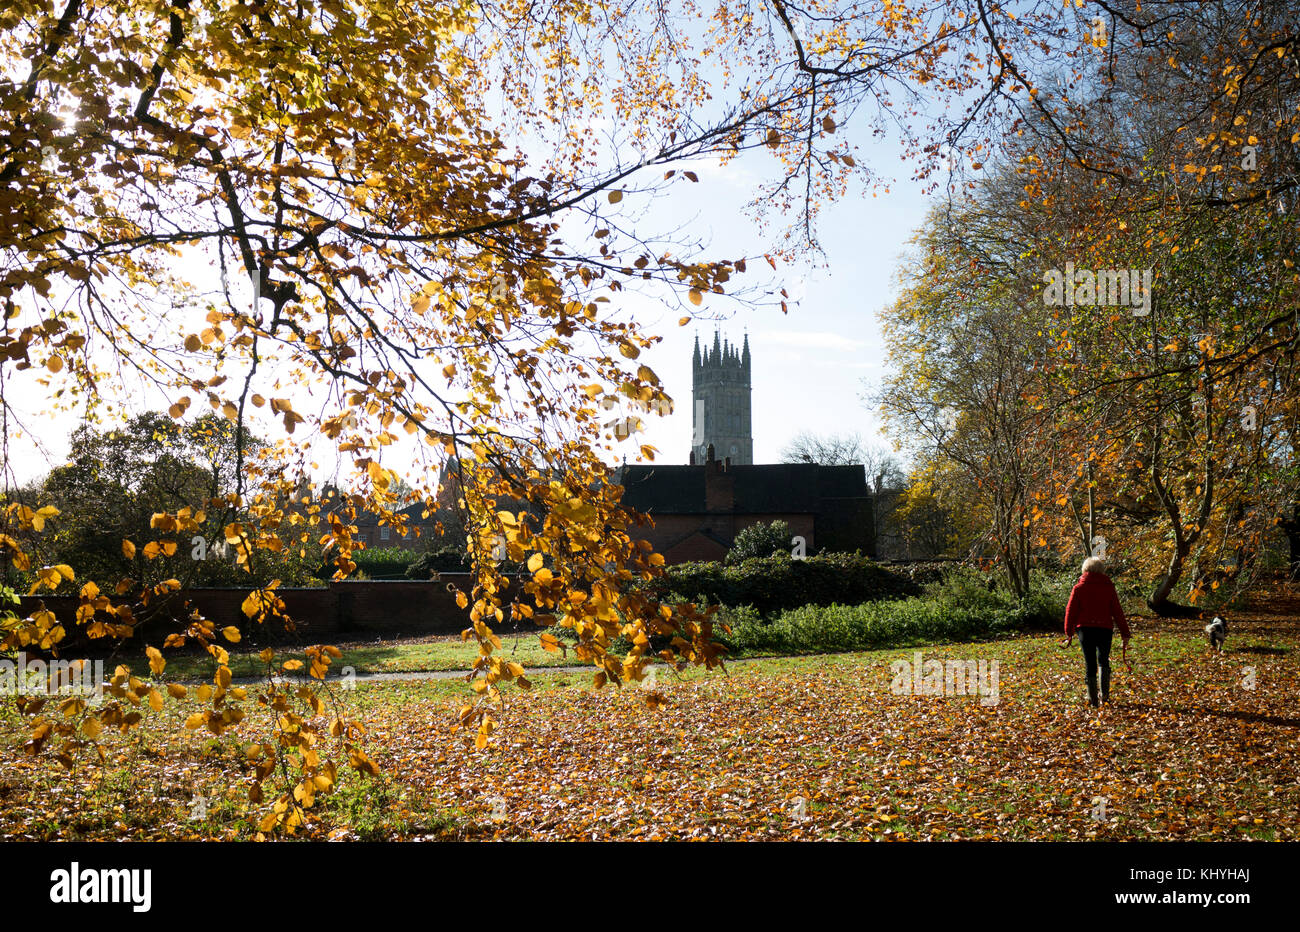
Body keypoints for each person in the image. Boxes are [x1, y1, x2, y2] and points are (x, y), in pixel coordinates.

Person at [1063, 556, 1131, 708]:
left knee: (1090, 661)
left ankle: (1093, 699)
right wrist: (1125, 632)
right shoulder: (1108, 588)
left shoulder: (1079, 588)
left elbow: (1071, 610)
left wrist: (1068, 631)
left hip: (1085, 629)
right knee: (1103, 659)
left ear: (1085, 570)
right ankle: (1105, 696)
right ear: (1101, 570)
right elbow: (1117, 611)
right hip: (1104, 628)